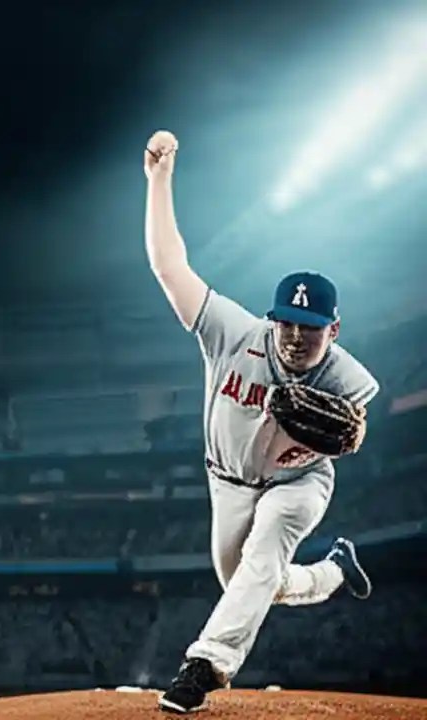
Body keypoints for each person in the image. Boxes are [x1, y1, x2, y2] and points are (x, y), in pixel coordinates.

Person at [142, 129, 379, 714]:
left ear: (335, 329)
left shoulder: (347, 375)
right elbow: (172, 268)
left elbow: (356, 428)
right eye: (288, 322)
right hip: (226, 481)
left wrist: (353, 432)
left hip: (298, 484)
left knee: (267, 548)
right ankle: (330, 573)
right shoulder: (233, 331)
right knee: (251, 583)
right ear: (273, 319)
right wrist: (159, 182)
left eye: (313, 325)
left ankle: (202, 667)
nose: (298, 335)